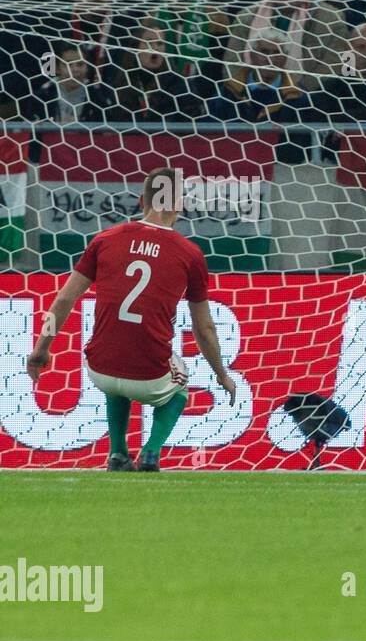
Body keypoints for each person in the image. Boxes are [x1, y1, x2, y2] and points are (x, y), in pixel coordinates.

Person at [25, 167, 236, 472]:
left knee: (115, 376)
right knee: (179, 388)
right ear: (178, 205)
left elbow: (64, 300)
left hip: (99, 369)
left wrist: (42, 348)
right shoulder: (190, 255)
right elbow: (204, 328)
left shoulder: (105, 239)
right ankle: (151, 451)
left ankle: (117, 453)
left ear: (141, 201)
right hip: (150, 377)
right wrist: (221, 374)